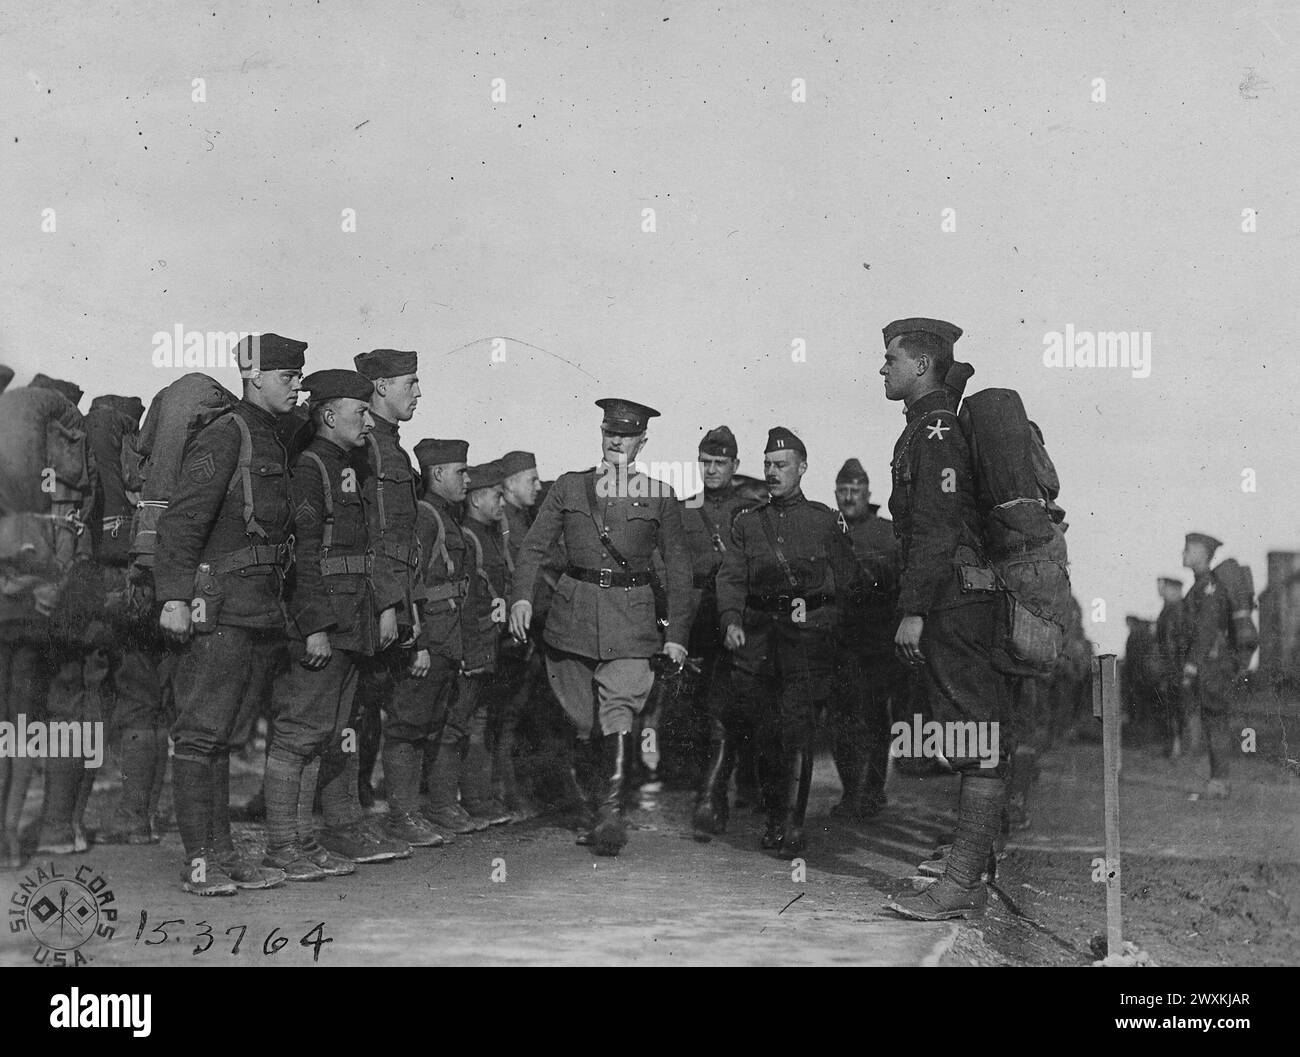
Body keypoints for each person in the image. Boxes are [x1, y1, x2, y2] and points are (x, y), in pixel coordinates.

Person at [155, 333, 307, 896]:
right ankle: (200, 863)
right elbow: (183, 521)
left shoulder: (270, 436)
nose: (296, 384)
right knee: (199, 735)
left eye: (298, 375)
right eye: (288, 375)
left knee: (223, 736)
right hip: (217, 607)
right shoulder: (227, 436)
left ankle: (221, 852)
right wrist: (172, 597)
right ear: (254, 375)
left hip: (257, 609)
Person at [508, 398, 692, 856]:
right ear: (601, 435)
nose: (617, 441)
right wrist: (522, 598)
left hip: (632, 620)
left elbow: (680, 568)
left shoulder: (661, 495)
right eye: (611, 432)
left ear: (642, 442)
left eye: (627, 435)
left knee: (618, 711)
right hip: (572, 622)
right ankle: (596, 808)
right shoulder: (570, 488)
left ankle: (610, 814)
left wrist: (676, 637)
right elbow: (533, 549)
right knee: (584, 722)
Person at [874, 317, 1011, 921]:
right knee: (968, 734)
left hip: (953, 601)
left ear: (922, 364)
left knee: (978, 738)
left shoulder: (934, 431)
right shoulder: (924, 429)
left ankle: (962, 887)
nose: (882, 369)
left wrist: (913, 611)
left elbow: (935, 527)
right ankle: (966, 873)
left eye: (890, 358)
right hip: (954, 597)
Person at [264, 369, 408, 881]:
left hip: (352, 620)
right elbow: (302, 556)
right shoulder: (310, 469)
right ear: (328, 416)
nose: (369, 420)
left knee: (325, 734)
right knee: (298, 734)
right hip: (323, 622)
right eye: (360, 412)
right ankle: (283, 844)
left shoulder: (348, 465)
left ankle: (303, 841)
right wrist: (314, 626)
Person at [714, 428, 864, 858]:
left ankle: (793, 825)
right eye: (767, 465)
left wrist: (830, 627)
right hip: (761, 639)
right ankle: (774, 817)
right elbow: (732, 577)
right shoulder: (748, 523)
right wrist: (729, 619)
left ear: (802, 468)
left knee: (798, 730)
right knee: (766, 732)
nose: (773, 473)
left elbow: (848, 580)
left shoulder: (822, 520)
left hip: (807, 641)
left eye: (781, 465)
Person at [349, 349, 444, 846]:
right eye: (411, 381)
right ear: (381, 386)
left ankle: (379, 816)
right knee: (348, 715)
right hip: (370, 604)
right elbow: (375, 535)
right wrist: (387, 604)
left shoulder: (393, 451)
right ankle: (342, 823)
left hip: (394, 603)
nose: (418, 392)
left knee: (382, 712)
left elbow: (408, 545)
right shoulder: (366, 449)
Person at [418, 443, 510, 833]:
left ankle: (470, 799)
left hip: (483, 645)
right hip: (468, 645)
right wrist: (473, 653)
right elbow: (469, 599)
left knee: (474, 722)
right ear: (475, 499)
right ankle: (443, 804)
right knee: (454, 725)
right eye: (496, 495)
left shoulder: (481, 534)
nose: (501, 502)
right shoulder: (467, 535)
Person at [685, 426, 766, 836]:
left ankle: (724, 791)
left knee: (737, 708)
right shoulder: (684, 510)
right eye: (706, 462)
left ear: (735, 466)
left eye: (720, 463)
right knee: (705, 711)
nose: (712, 470)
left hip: (739, 620)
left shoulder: (751, 509)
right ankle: (711, 791)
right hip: (700, 622)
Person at [831, 457, 904, 820]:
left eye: (855, 491)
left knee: (876, 717)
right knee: (842, 718)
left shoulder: (886, 532)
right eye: (842, 491)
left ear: (867, 493)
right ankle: (849, 792)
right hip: (839, 641)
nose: (848, 497)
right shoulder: (829, 529)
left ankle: (873, 790)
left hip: (878, 641)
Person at [1179, 533, 1237, 799]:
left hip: (1212, 666)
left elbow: (1206, 629)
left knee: (1216, 721)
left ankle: (1220, 781)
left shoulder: (1209, 586)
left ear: (1203, 553)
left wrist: (1192, 663)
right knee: (1213, 720)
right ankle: (1218, 779)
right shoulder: (1201, 585)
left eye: (1189, 549)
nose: (1183, 553)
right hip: (1210, 665)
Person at [1154, 576, 1186, 757]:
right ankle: (1173, 745)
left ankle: (1177, 746)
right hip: (1169, 666)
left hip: (1175, 667)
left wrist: (1174, 669)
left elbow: (1177, 642)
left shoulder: (1177, 610)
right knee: (1169, 706)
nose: (1160, 591)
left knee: (1176, 707)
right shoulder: (1168, 609)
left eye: (1163, 587)